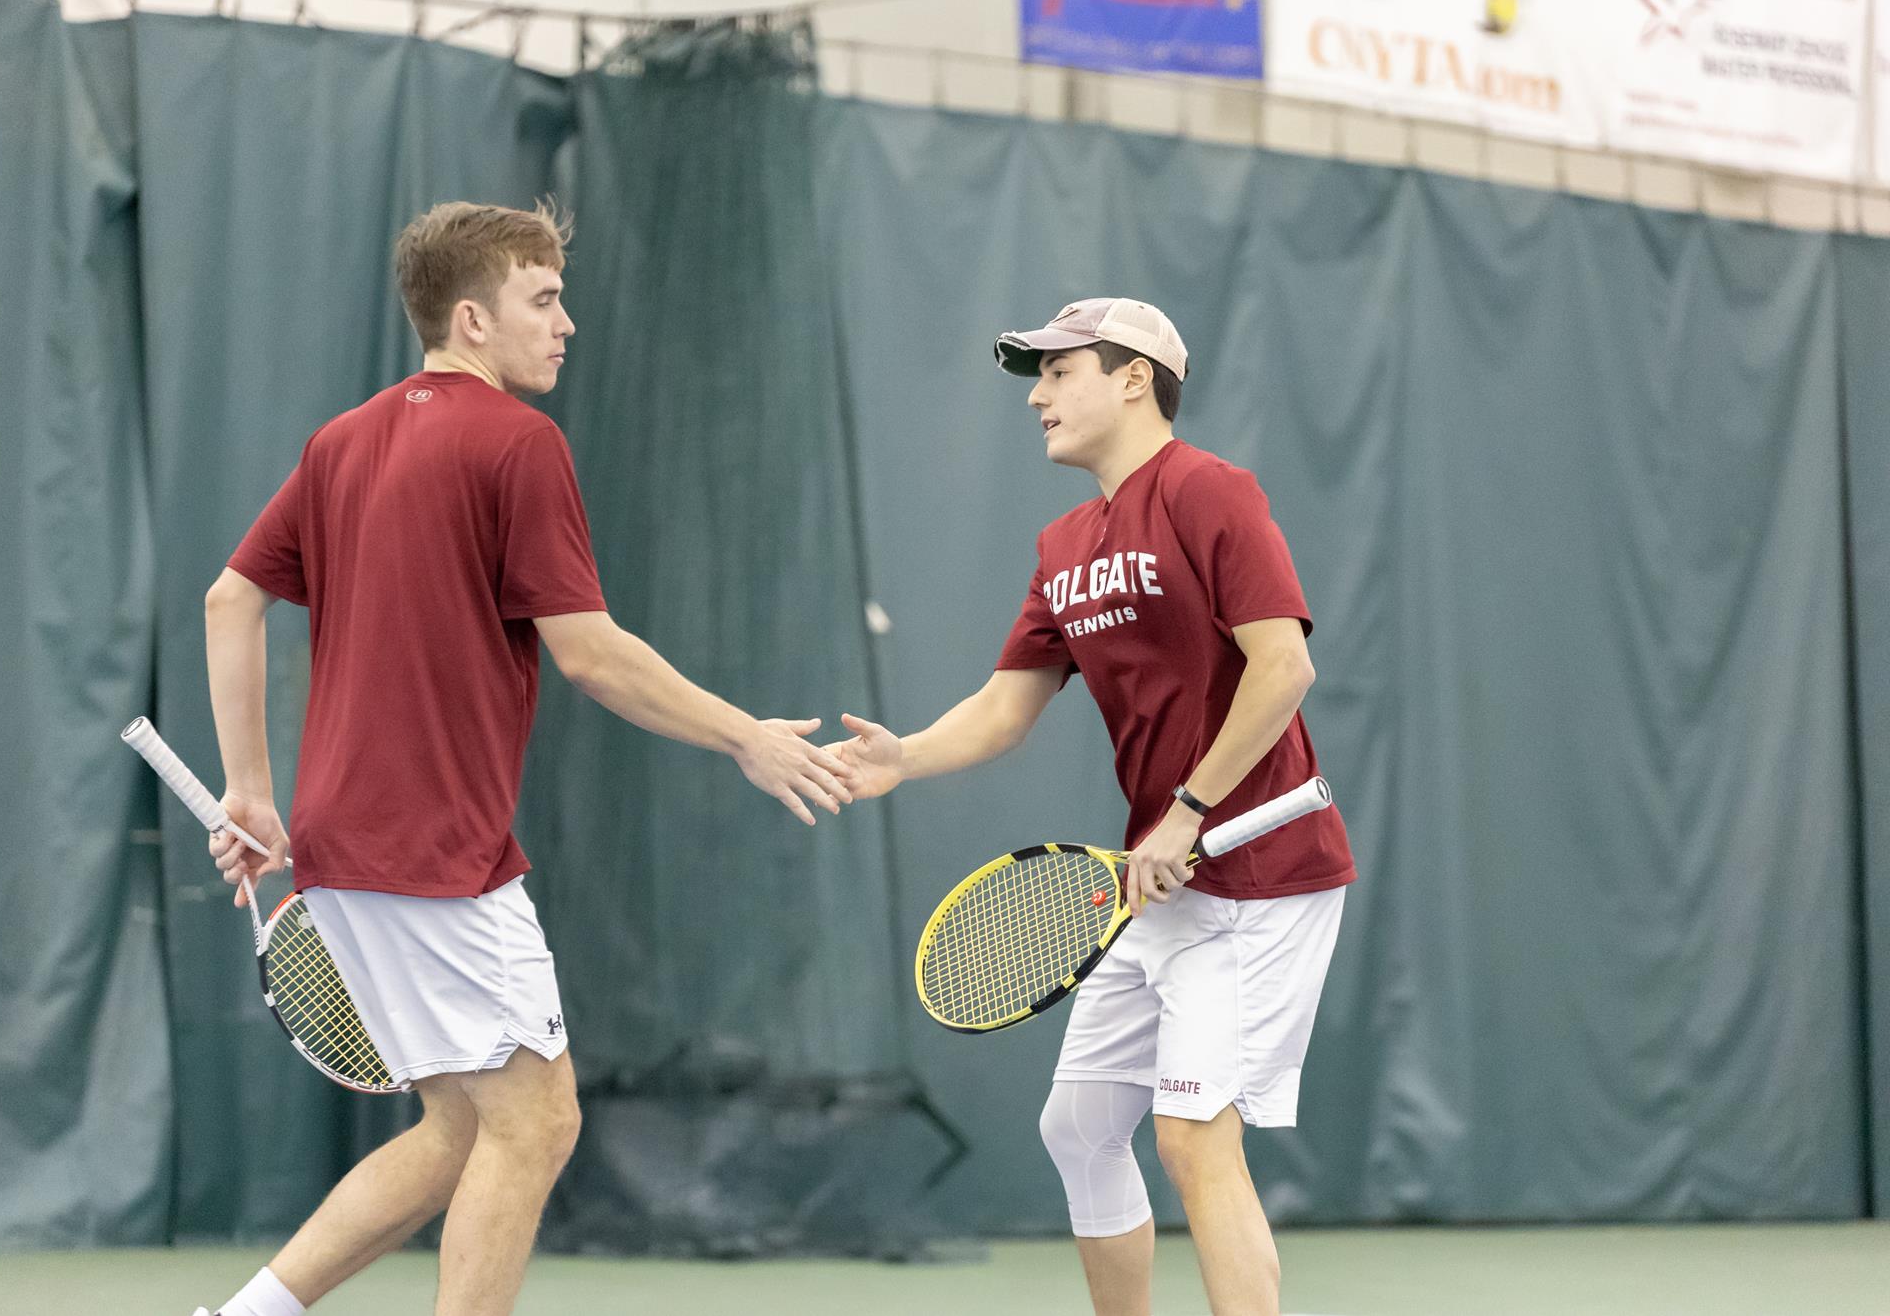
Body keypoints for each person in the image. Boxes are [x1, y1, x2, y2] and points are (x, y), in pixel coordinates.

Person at [196, 200, 853, 1316]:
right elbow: (591, 654)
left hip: (340, 845)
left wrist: (253, 789)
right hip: (434, 850)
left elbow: (229, 598)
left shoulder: (338, 443)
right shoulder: (517, 443)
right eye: (541, 300)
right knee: (539, 1118)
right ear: (471, 318)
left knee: (464, 1124)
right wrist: (742, 733)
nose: (566, 324)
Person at [832, 299, 1354, 1316]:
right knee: (1075, 1127)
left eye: (1057, 371)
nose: (1035, 396)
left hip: (1259, 876)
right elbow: (1003, 706)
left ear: (1132, 377)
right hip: (1160, 886)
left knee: (1193, 1135)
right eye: (1035, 376)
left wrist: (1189, 808)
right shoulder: (1065, 541)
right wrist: (905, 756)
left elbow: (1282, 664)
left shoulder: (1209, 491)